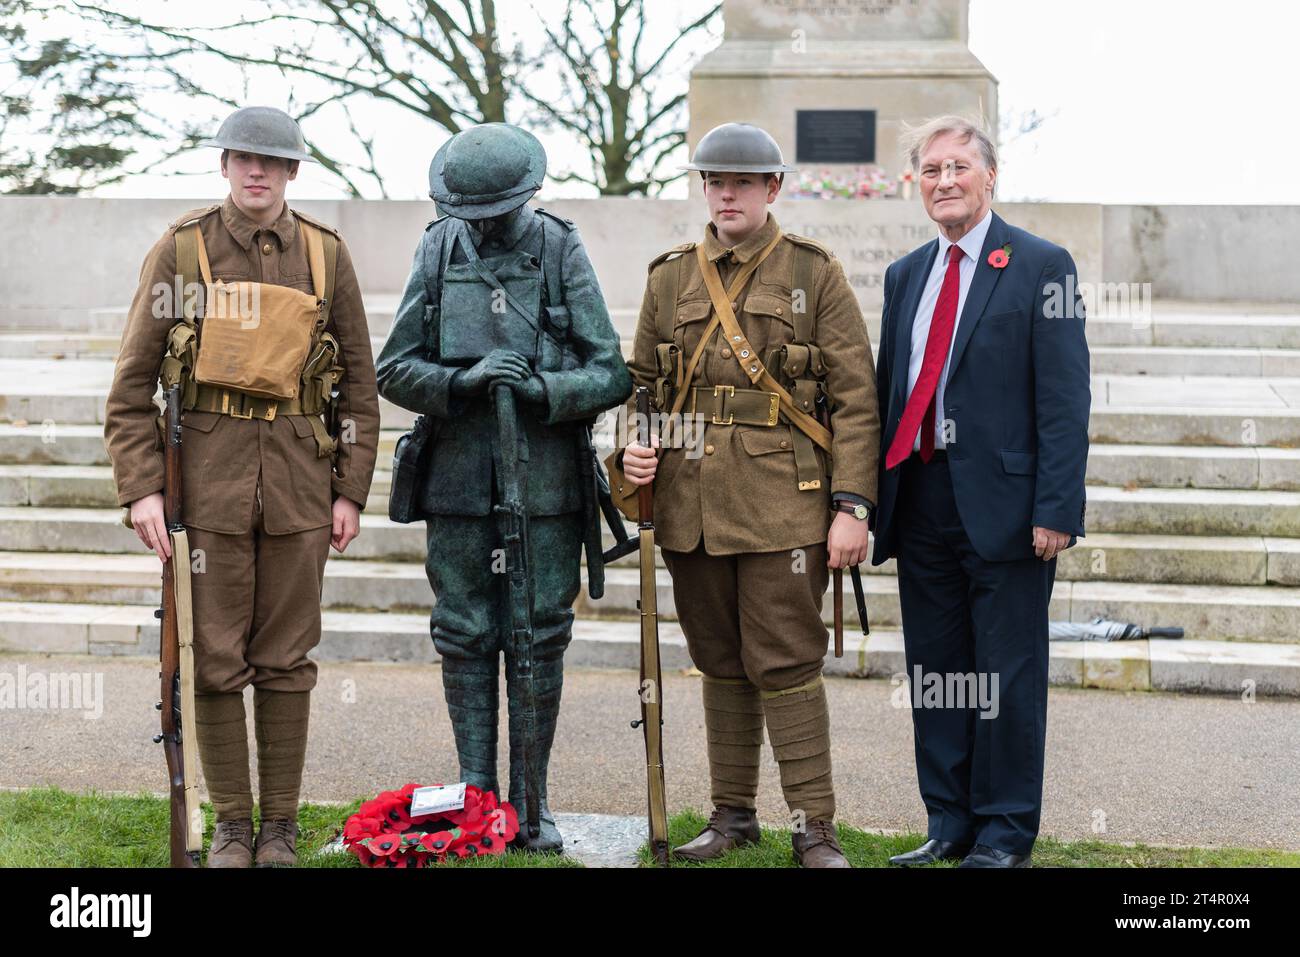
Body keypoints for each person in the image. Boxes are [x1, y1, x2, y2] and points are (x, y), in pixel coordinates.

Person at [104, 106, 380, 867]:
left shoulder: (326, 255)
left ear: (292, 170)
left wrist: (350, 489)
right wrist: (142, 490)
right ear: (225, 165)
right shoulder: (181, 250)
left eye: (271, 160)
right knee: (214, 656)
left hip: (299, 486)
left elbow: (360, 386)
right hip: (206, 489)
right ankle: (231, 824)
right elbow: (130, 387)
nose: (256, 171)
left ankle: (280, 826)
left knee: (287, 659)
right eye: (242, 158)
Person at [618, 122, 881, 868]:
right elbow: (640, 386)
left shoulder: (812, 272)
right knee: (719, 658)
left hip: (782, 503)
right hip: (690, 504)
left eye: (741, 183)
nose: (726, 195)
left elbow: (856, 398)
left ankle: (813, 826)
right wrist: (631, 448)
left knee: (787, 660)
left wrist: (852, 505)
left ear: (773, 188)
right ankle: (732, 815)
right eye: (714, 182)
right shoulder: (670, 276)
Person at [375, 122, 632, 852]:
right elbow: (395, 367)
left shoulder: (559, 248)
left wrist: (542, 388)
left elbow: (610, 370)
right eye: (469, 214)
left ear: (524, 198)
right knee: (463, 631)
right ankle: (476, 795)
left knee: (539, 632)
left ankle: (533, 798)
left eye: (492, 213)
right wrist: (465, 381)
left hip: (545, 484)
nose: (481, 227)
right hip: (457, 482)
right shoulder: (437, 248)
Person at [871, 115, 1090, 868]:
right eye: (931, 170)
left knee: (1006, 678)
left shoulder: (1042, 265)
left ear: (989, 176)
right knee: (938, 675)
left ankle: (1003, 831)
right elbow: (890, 391)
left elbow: (1064, 399)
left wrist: (1057, 508)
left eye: (958, 166)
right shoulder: (906, 276)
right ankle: (949, 822)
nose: (945, 181)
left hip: (1010, 510)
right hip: (920, 500)